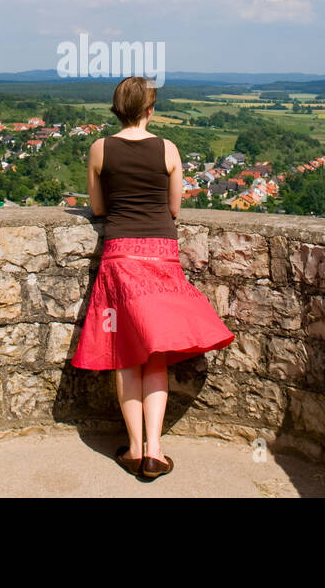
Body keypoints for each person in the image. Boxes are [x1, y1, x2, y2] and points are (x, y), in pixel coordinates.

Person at [69, 76, 235, 480]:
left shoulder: (99, 148)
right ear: (149, 109)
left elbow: (97, 206)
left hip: (119, 256)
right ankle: (155, 452)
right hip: (161, 255)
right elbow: (175, 207)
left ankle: (135, 448)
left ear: (116, 109)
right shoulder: (169, 149)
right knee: (155, 354)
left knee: (126, 354)